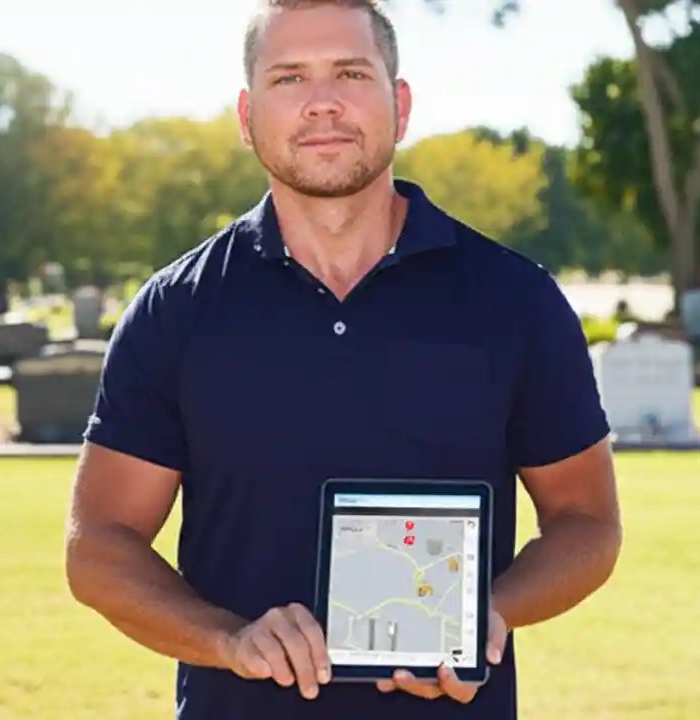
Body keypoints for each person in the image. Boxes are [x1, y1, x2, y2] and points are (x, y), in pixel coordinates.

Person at [64, 1, 623, 718]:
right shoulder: (177, 310)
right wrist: (230, 639)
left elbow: (588, 523)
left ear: (400, 102)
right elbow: (99, 548)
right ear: (246, 115)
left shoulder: (515, 301)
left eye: (351, 73)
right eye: (289, 78)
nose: (322, 103)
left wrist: (488, 613)